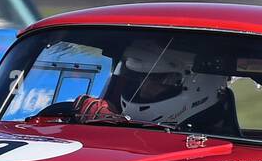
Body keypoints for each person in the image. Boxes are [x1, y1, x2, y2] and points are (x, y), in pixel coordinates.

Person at [78, 39, 236, 133]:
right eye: (137, 79)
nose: (144, 88)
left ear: (198, 86)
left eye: (159, 80)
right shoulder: (119, 126)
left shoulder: (205, 150)